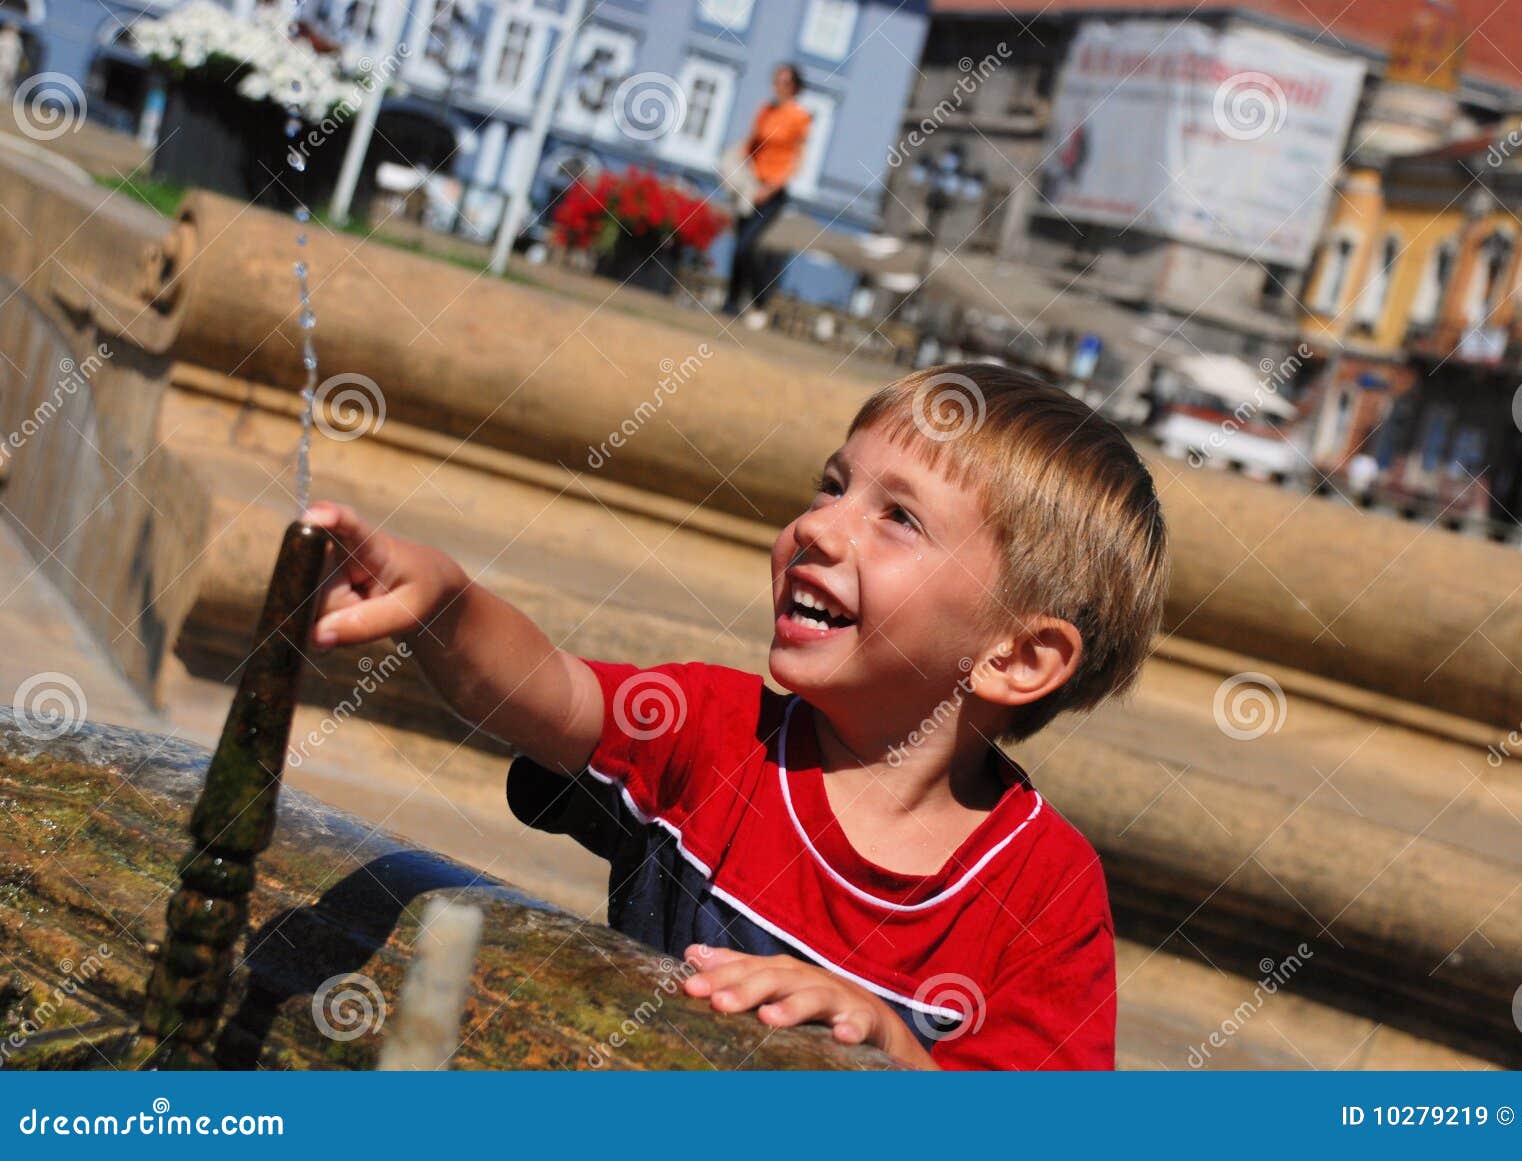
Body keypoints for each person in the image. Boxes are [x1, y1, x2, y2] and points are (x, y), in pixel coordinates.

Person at [301, 363, 1170, 1070]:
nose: (819, 527)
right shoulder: (717, 732)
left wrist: (892, 1048)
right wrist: (445, 608)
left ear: (1016, 658)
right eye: (831, 487)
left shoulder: (1046, 894)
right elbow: (550, 692)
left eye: (897, 516)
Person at [722, 63, 811, 328]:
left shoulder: (800, 117)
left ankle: (760, 302)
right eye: (775, 80)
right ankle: (731, 302)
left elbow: (796, 161)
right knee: (739, 247)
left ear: (793, 86)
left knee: (747, 246)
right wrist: (736, 174)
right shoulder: (765, 110)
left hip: (773, 193)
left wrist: (769, 189)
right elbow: (750, 146)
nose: (777, 86)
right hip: (750, 187)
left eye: (783, 82)